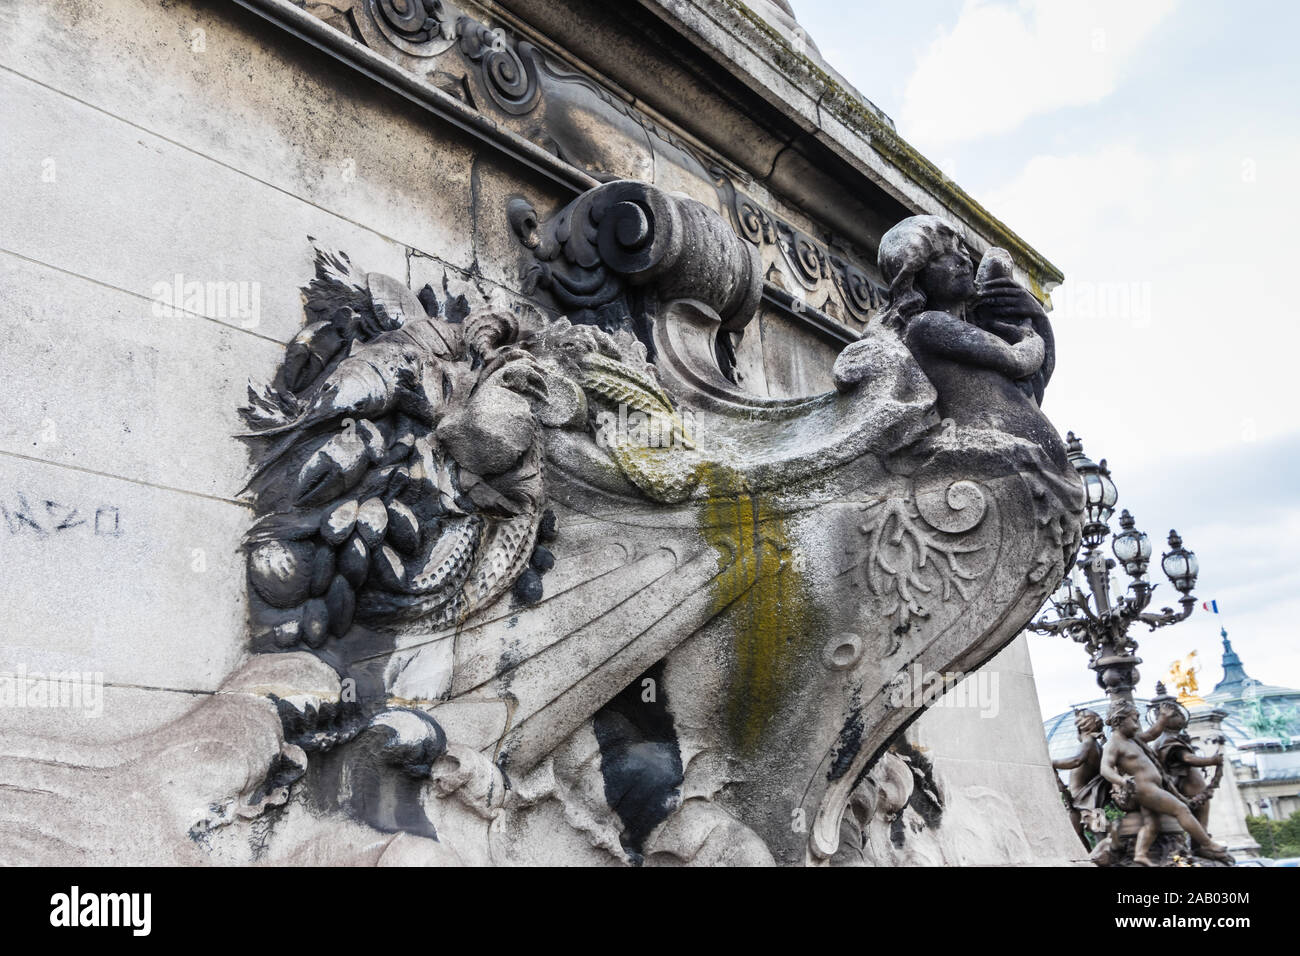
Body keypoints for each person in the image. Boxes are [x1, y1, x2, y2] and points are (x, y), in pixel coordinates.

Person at [875, 215, 1066, 469]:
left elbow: (1033, 383)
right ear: (915, 274)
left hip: (1033, 467)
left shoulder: (973, 324)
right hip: (1001, 467)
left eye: (961, 247)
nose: (963, 259)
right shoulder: (927, 325)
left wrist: (1034, 316)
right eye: (941, 256)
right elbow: (1017, 361)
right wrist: (1030, 338)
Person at [1101, 699, 1229, 865]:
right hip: (1144, 788)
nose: (1137, 723)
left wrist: (1163, 717)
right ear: (1119, 721)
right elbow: (1105, 769)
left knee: (1152, 824)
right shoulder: (1113, 744)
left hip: (1150, 787)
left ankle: (1140, 853)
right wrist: (1122, 781)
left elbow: (1152, 733)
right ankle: (1207, 843)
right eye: (1134, 719)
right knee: (1181, 809)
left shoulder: (1133, 740)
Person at [1051, 709, 1109, 847]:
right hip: (1081, 799)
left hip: (1084, 800)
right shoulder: (1096, 745)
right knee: (1079, 832)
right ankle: (1092, 860)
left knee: (1097, 833)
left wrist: (1050, 762)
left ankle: (1103, 859)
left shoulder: (1088, 743)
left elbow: (1076, 761)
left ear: (1080, 728)